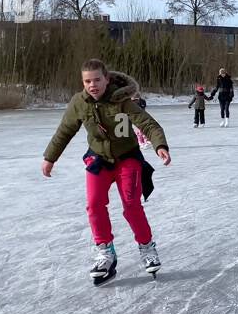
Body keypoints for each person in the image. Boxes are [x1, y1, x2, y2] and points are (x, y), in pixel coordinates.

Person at [41, 59, 170, 286]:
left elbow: (148, 124)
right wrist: (50, 158)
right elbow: (64, 131)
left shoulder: (121, 100)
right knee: (94, 204)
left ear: (106, 79)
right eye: (87, 81)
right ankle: (105, 252)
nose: (93, 85)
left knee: (131, 204)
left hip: (127, 158)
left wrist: (160, 145)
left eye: (97, 80)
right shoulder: (79, 103)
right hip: (99, 159)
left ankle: (147, 246)